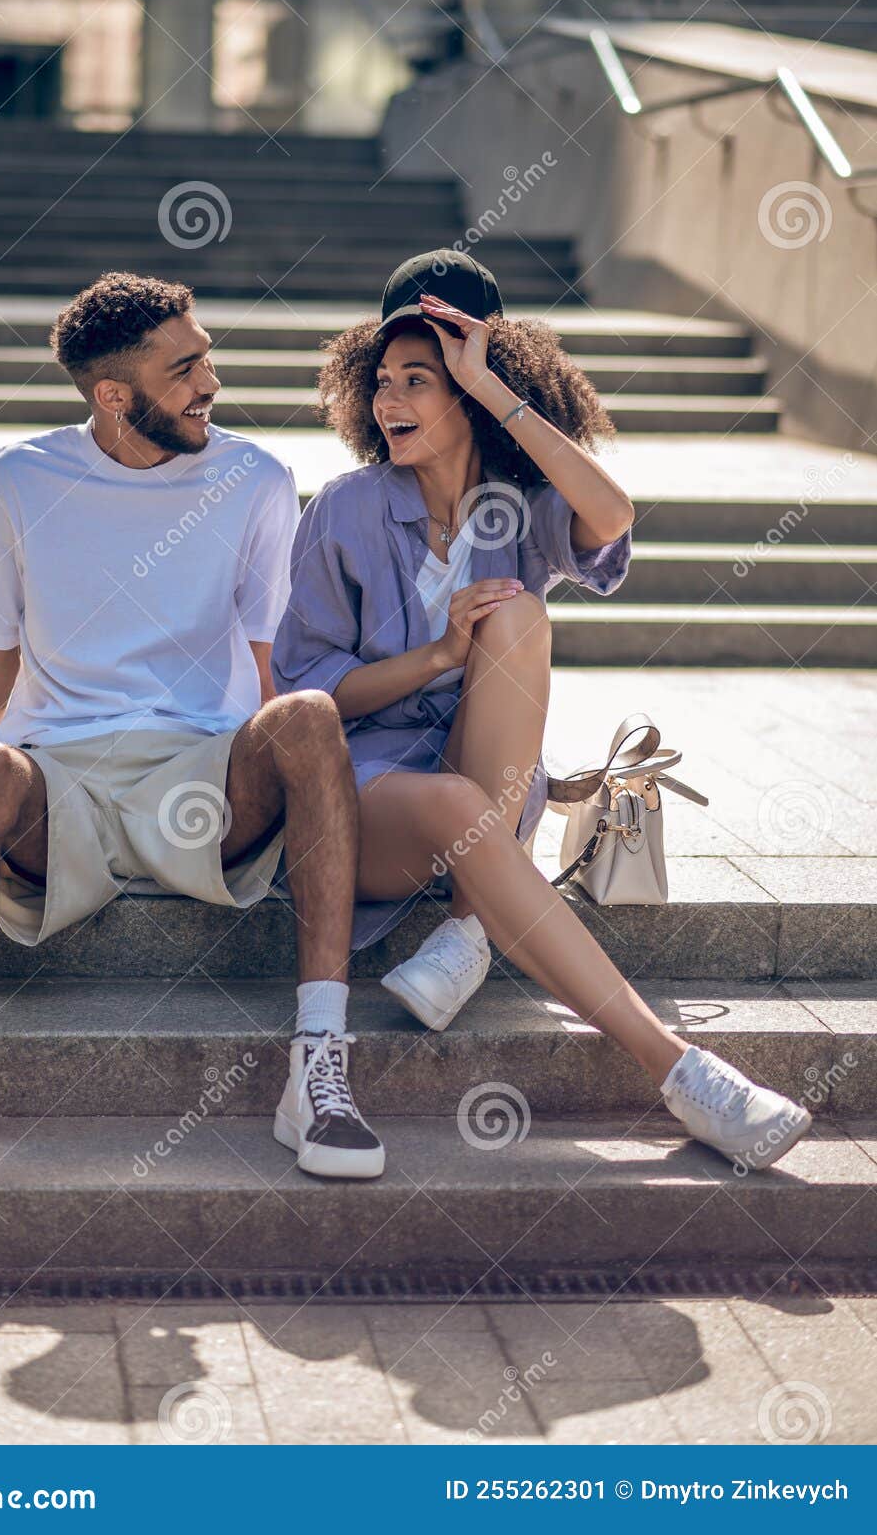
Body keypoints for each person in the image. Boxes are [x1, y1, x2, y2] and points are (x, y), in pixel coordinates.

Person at [0, 271, 384, 1194]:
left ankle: (318, 1069)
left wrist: (319, 808)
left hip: (203, 784)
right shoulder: (17, 479)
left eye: (206, 359)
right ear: (114, 396)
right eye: (185, 370)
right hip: (60, 792)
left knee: (310, 715)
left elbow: (273, 667)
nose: (210, 384)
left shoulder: (254, 478)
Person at [271, 249, 811, 1172]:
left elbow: (611, 513)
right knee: (455, 797)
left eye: (419, 379)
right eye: (381, 379)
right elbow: (305, 696)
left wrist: (492, 387)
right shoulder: (346, 509)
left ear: (474, 388)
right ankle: (678, 1070)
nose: (388, 399)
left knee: (518, 615)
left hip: (484, 781)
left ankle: (471, 924)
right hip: (361, 791)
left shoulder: (517, 509)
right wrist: (435, 657)